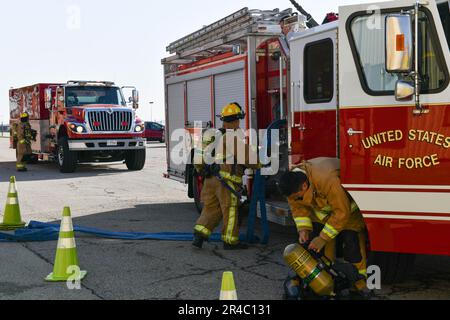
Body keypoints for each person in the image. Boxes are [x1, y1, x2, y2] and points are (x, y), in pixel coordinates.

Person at [278, 158, 369, 293]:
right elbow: (298, 209)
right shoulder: (292, 187)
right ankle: (325, 283)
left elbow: (341, 212)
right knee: (320, 252)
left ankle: (359, 285)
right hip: (324, 213)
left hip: (348, 211)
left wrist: (323, 238)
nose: (295, 199)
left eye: (297, 196)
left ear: (304, 186)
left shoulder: (327, 179)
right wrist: (303, 230)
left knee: (352, 246)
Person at [193, 102, 258, 250]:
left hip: (209, 180)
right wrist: (261, 164)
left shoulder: (212, 135)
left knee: (211, 208)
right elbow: (248, 158)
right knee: (231, 209)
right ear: (235, 120)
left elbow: (198, 158)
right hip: (226, 182)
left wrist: (202, 170)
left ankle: (199, 235)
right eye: (239, 120)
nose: (239, 123)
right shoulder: (232, 137)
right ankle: (230, 241)